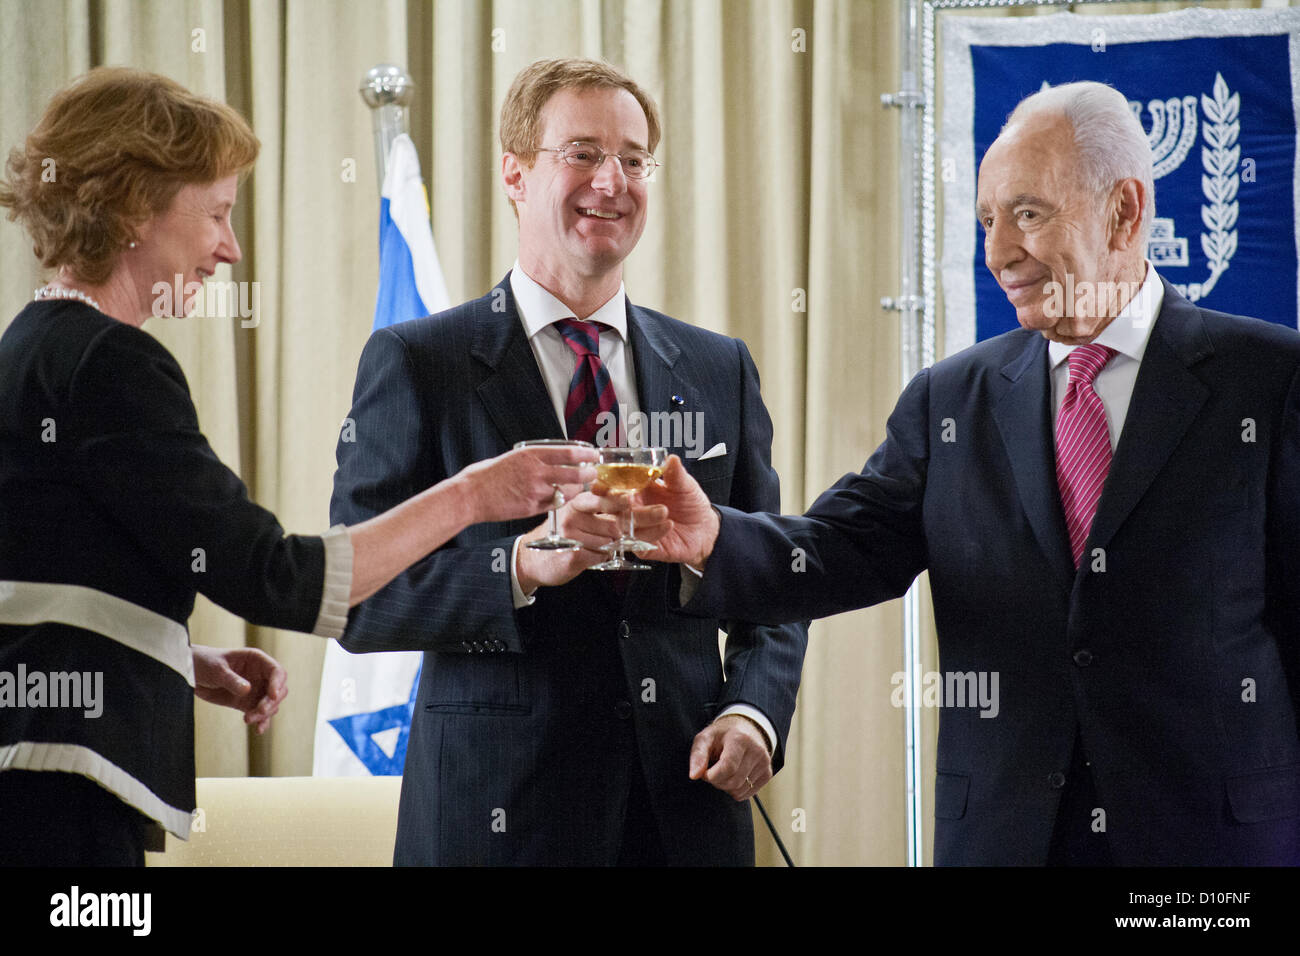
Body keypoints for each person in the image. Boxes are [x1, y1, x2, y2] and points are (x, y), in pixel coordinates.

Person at [633, 81, 1300, 866]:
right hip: (1005, 840)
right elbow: (843, 546)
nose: (997, 254)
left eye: (1028, 213)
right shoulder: (951, 400)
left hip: (1210, 856)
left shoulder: (1270, 382)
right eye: (986, 220)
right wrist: (716, 538)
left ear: (1125, 210)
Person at [0, 67, 594, 866]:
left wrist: (182, 659)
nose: (229, 247)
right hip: (60, 797)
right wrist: (472, 495)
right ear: (136, 204)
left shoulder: (30, 347)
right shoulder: (111, 362)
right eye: (216, 212)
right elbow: (276, 578)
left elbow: (50, 579)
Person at [331, 57, 808, 866]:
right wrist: (519, 562)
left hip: (684, 814)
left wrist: (752, 713)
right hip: (499, 816)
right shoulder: (419, 361)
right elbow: (356, 599)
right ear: (515, 175)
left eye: (632, 158)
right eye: (582, 153)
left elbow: (772, 574)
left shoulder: (718, 366)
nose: (611, 181)